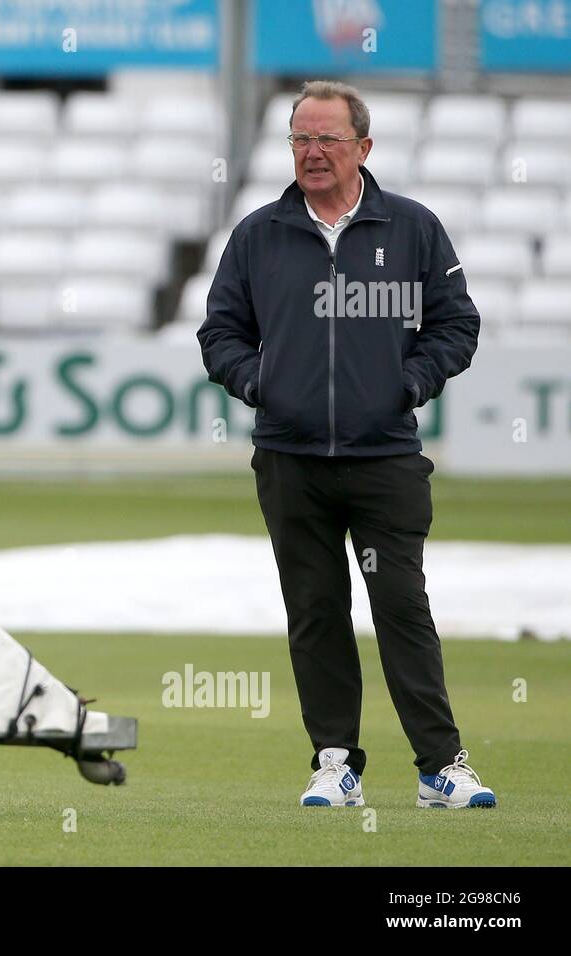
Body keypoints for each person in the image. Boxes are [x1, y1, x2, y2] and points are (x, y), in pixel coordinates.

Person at [198, 80, 496, 810]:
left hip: (386, 458)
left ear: (363, 147)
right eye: (301, 139)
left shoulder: (415, 229)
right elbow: (219, 333)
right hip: (289, 459)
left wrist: (408, 383)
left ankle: (440, 768)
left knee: (401, 604)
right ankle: (335, 763)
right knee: (316, 609)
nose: (312, 152)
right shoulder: (258, 235)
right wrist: (262, 383)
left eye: (328, 139)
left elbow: (456, 325)